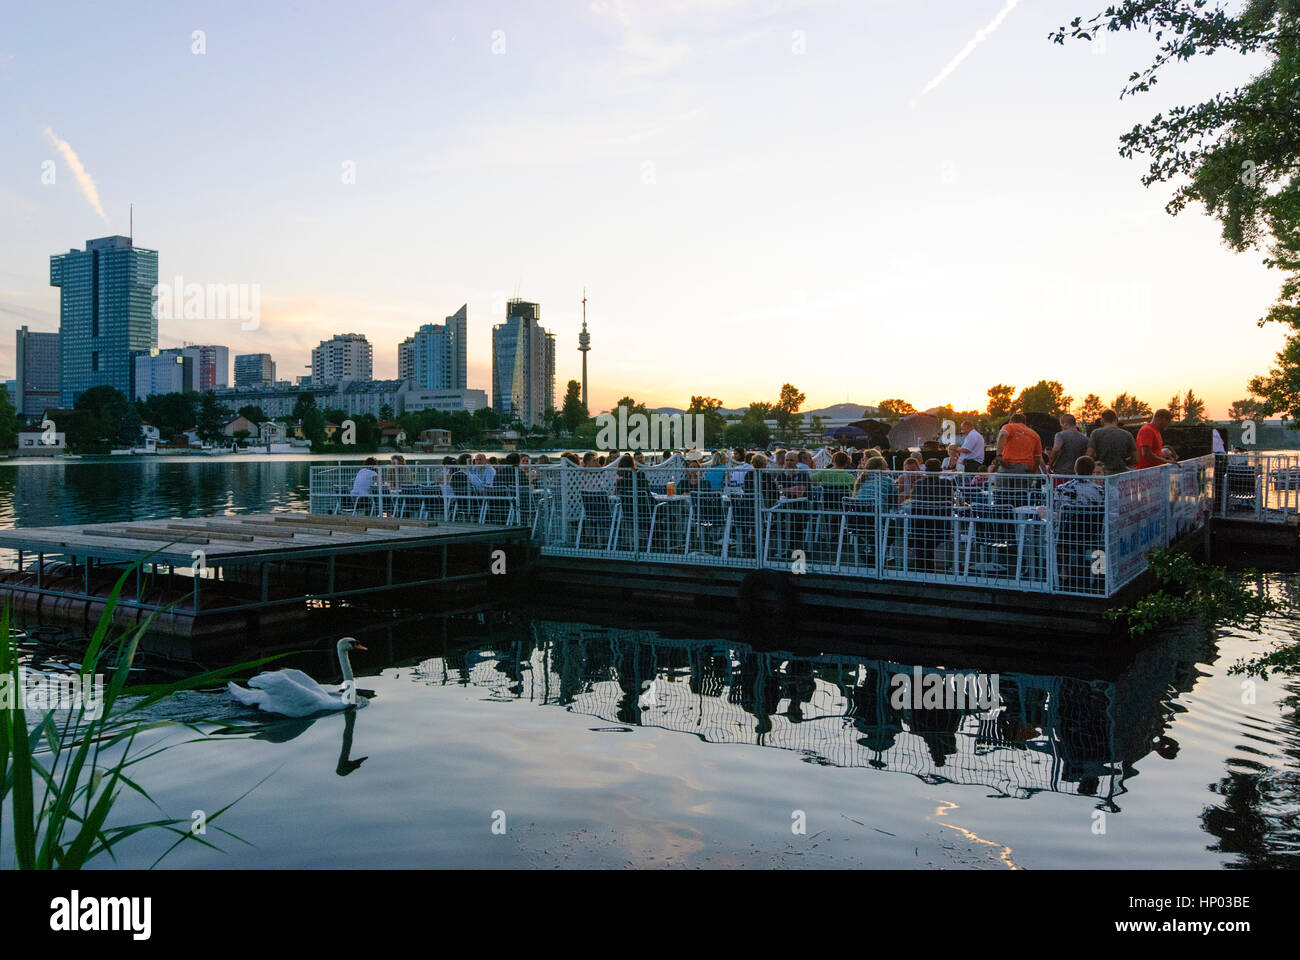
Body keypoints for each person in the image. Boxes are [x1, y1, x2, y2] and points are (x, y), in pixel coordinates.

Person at [1086, 409, 1138, 474]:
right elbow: (1136, 458)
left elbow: (1089, 455)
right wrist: (1125, 463)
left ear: (1102, 421)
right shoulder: (1127, 434)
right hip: (1122, 472)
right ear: (1117, 420)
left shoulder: (1096, 433)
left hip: (1104, 474)